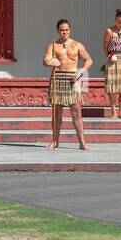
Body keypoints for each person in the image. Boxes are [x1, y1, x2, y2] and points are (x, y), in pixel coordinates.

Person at [43, 19, 93, 150]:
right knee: (57, 112)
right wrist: (50, 61)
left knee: (76, 111)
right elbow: (45, 60)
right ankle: (55, 141)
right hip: (58, 78)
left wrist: (81, 71)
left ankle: (82, 142)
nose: (64, 32)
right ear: (58, 31)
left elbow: (88, 60)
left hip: (73, 78)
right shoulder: (53, 45)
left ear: (69, 30)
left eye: (66, 30)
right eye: (62, 30)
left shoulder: (77, 45)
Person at [103, 9, 121, 119]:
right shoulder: (109, 31)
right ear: (115, 19)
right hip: (112, 60)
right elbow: (105, 46)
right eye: (119, 22)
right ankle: (113, 112)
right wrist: (109, 56)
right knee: (112, 88)